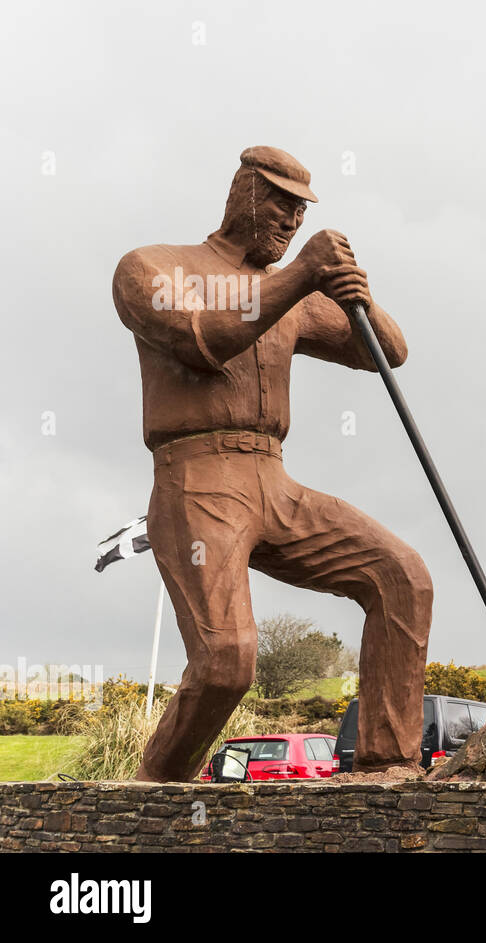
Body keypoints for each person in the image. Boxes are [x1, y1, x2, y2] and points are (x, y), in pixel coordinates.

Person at [112, 146, 432, 782]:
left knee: (402, 577)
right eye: (282, 205)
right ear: (245, 196)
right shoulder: (154, 267)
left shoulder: (291, 291)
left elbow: (387, 353)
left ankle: (386, 770)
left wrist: (356, 293)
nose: (291, 222)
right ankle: (155, 791)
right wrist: (303, 273)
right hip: (198, 479)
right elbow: (203, 344)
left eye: (300, 212)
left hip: (273, 479)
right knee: (226, 661)